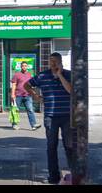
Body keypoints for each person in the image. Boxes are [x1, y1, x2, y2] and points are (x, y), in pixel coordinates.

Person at [26, 53, 73, 185]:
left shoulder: (69, 74)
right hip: (50, 116)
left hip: (66, 116)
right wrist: (35, 96)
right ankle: (54, 176)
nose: (52, 64)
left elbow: (71, 91)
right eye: (51, 61)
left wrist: (60, 75)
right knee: (51, 146)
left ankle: (73, 174)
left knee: (69, 146)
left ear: (61, 62)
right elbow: (27, 85)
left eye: (55, 62)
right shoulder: (42, 76)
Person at [11, 62, 39, 131]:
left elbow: (31, 85)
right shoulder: (17, 75)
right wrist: (12, 94)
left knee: (30, 110)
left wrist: (33, 93)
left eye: (25, 66)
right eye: (23, 66)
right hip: (18, 95)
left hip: (28, 95)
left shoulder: (29, 75)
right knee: (16, 111)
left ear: (27, 67)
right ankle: (15, 124)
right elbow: (14, 84)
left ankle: (33, 125)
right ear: (21, 67)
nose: (24, 67)